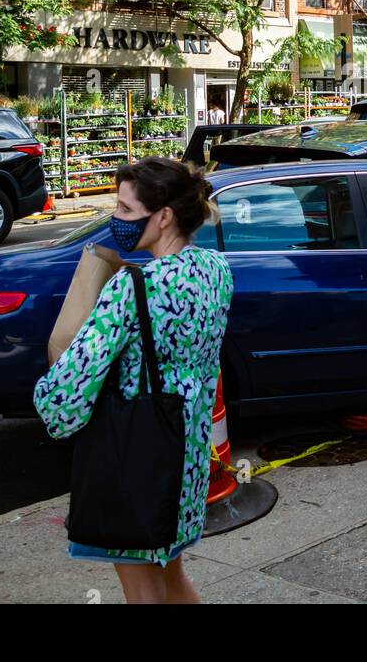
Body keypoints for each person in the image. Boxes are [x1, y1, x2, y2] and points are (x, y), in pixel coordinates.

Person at [35, 156, 233, 604]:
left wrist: (46, 392)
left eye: (125, 210)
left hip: (136, 458)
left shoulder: (132, 287)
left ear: (163, 217)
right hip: (187, 455)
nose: (116, 220)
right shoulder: (215, 270)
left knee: (142, 591)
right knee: (172, 577)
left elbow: (65, 398)